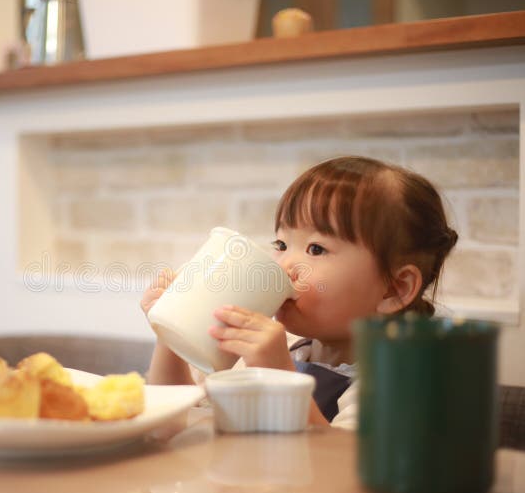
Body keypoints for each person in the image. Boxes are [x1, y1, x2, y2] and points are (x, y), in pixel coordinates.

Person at [141, 156, 458, 427]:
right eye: (281, 244)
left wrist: (279, 374)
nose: (282, 265)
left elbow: (343, 466)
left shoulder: (400, 377)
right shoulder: (286, 346)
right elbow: (182, 419)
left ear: (394, 289)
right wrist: (171, 333)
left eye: (316, 249)